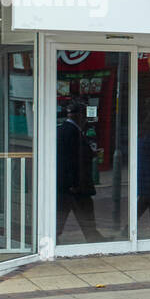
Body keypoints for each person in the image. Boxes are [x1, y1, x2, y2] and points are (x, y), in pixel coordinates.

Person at [56, 101, 102, 240]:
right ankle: (93, 237)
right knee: (84, 209)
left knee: (63, 211)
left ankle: (54, 235)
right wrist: (74, 183)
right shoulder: (73, 132)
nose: (85, 120)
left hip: (66, 183)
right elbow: (72, 159)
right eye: (84, 116)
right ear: (78, 116)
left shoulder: (62, 129)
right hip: (76, 182)